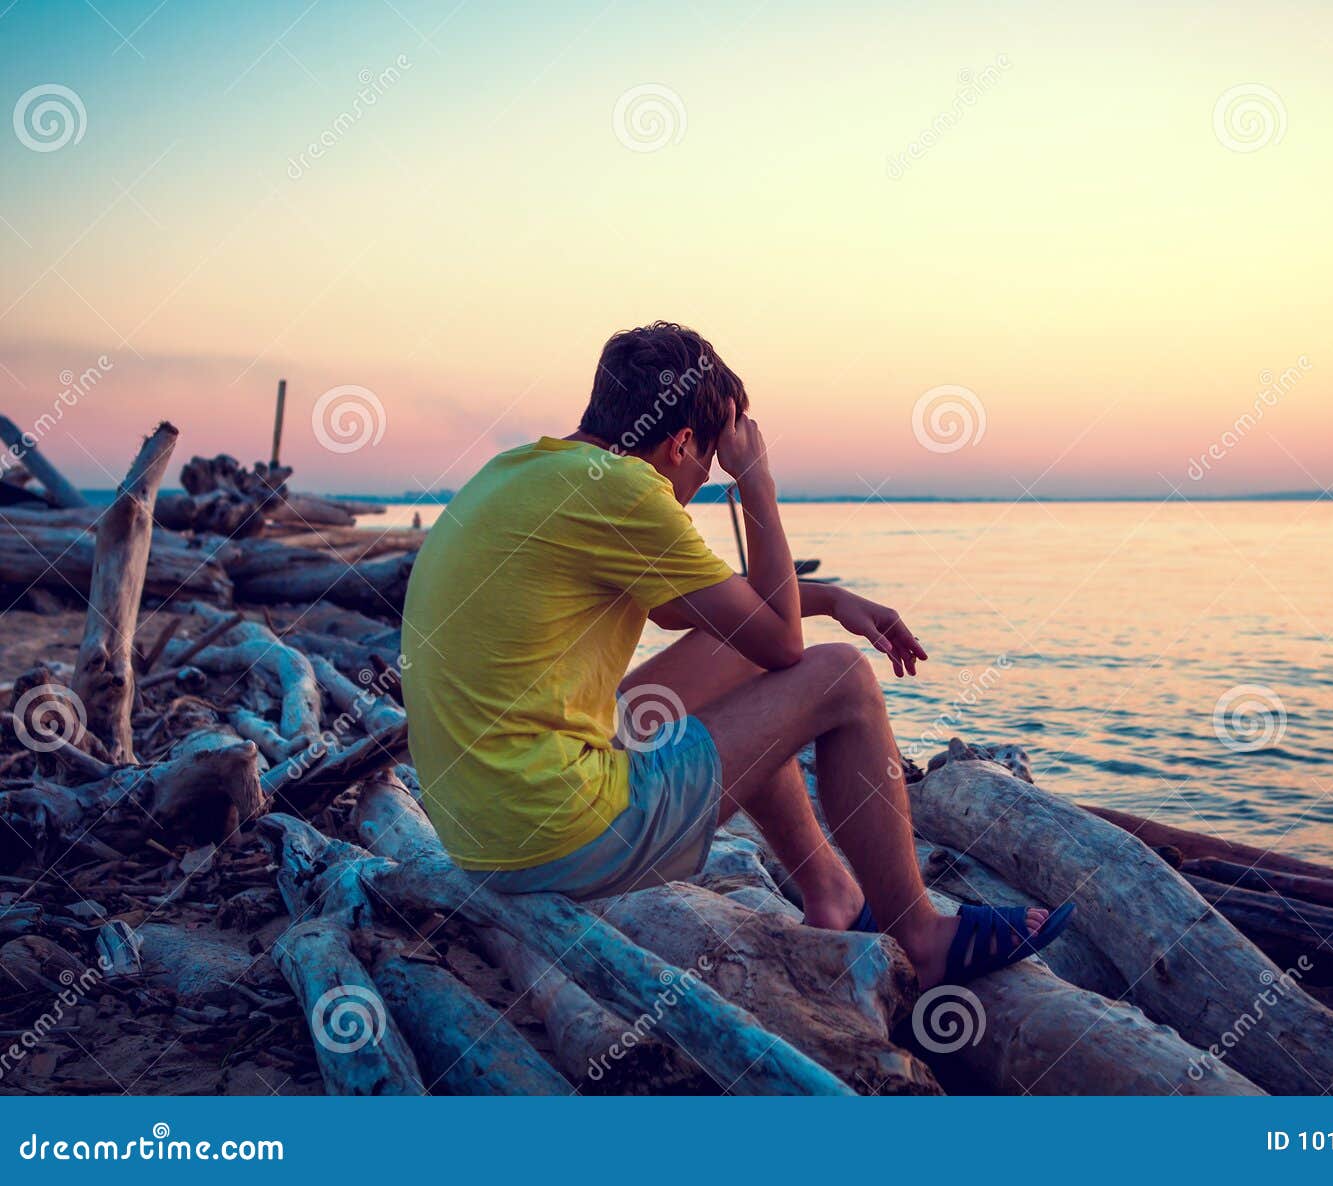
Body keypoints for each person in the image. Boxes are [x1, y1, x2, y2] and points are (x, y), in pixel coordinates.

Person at [400, 321, 1072, 986]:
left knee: (743, 663)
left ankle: (832, 895)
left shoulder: (525, 471)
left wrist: (830, 597)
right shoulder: (623, 489)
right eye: (710, 456)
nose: (701, 480)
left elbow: (703, 617)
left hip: (485, 830)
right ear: (682, 442)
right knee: (841, 675)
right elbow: (782, 641)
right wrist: (755, 483)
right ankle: (924, 940)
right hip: (558, 836)